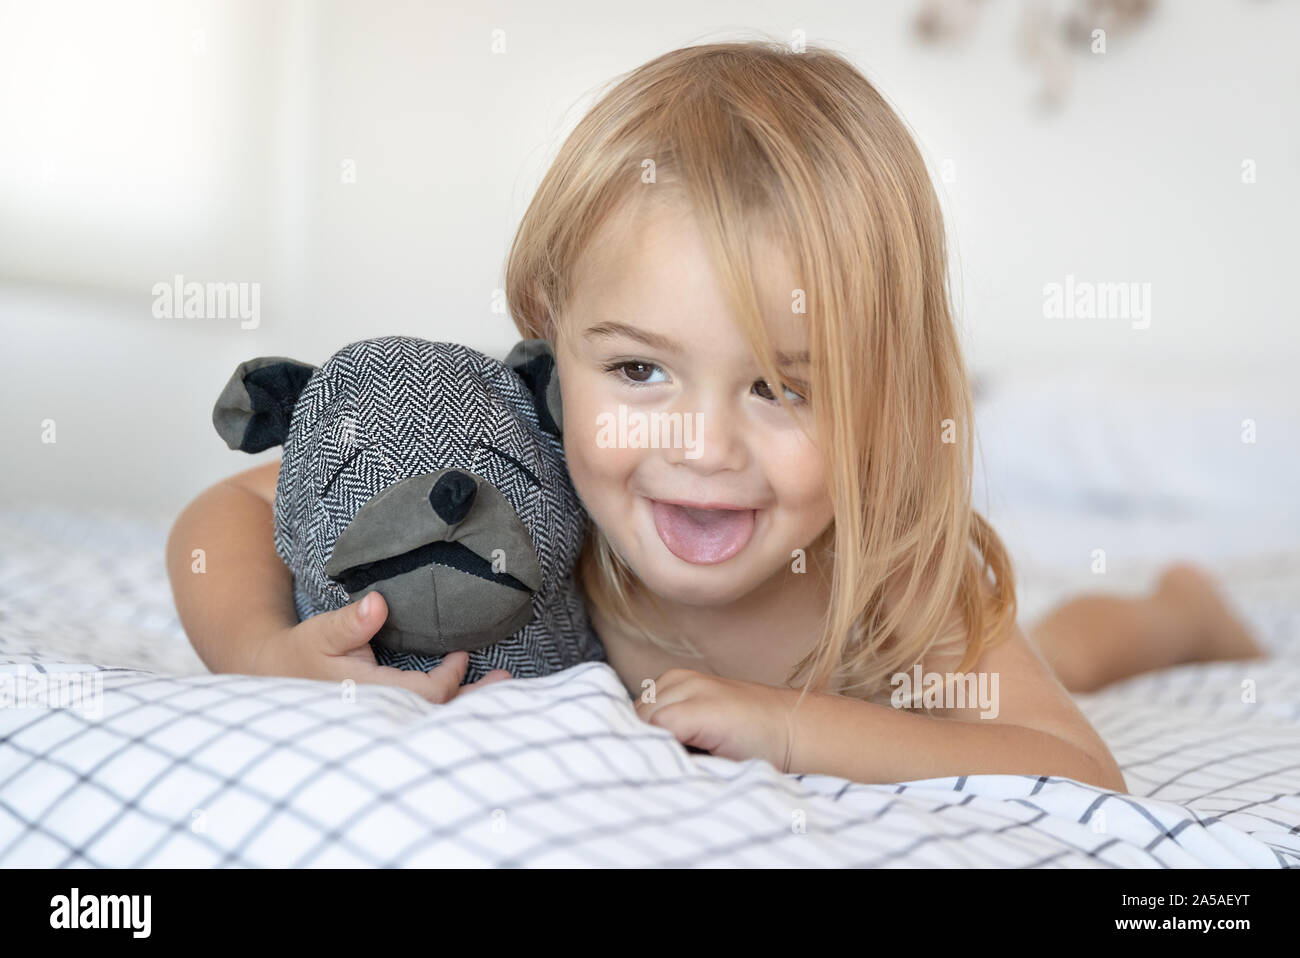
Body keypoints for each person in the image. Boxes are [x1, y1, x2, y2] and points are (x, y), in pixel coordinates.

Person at [167, 40, 1263, 793]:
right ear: (555, 348)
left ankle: (1179, 608)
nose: (702, 448)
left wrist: (790, 725)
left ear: (883, 396)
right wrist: (261, 647)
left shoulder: (888, 577)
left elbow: (1069, 761)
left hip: (891, 670)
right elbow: (225, 515)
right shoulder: (537, 472)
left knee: (1067, 647)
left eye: (782, 388)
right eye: (641, 372)